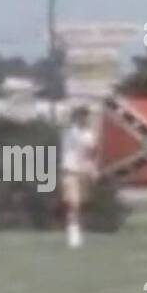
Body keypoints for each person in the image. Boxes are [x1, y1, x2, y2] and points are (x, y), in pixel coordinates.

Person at [61, 105, 99, 248]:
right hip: (70, 170)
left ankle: (76, 229)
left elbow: (90, 154)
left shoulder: (89, 134)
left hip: (83, 172)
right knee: (73, 203)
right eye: (82, 116)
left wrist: (92, 169)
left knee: (81, 204)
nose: (85, 119)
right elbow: (85, 149)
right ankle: (73, 234)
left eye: (86, 116)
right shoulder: (71, 132)